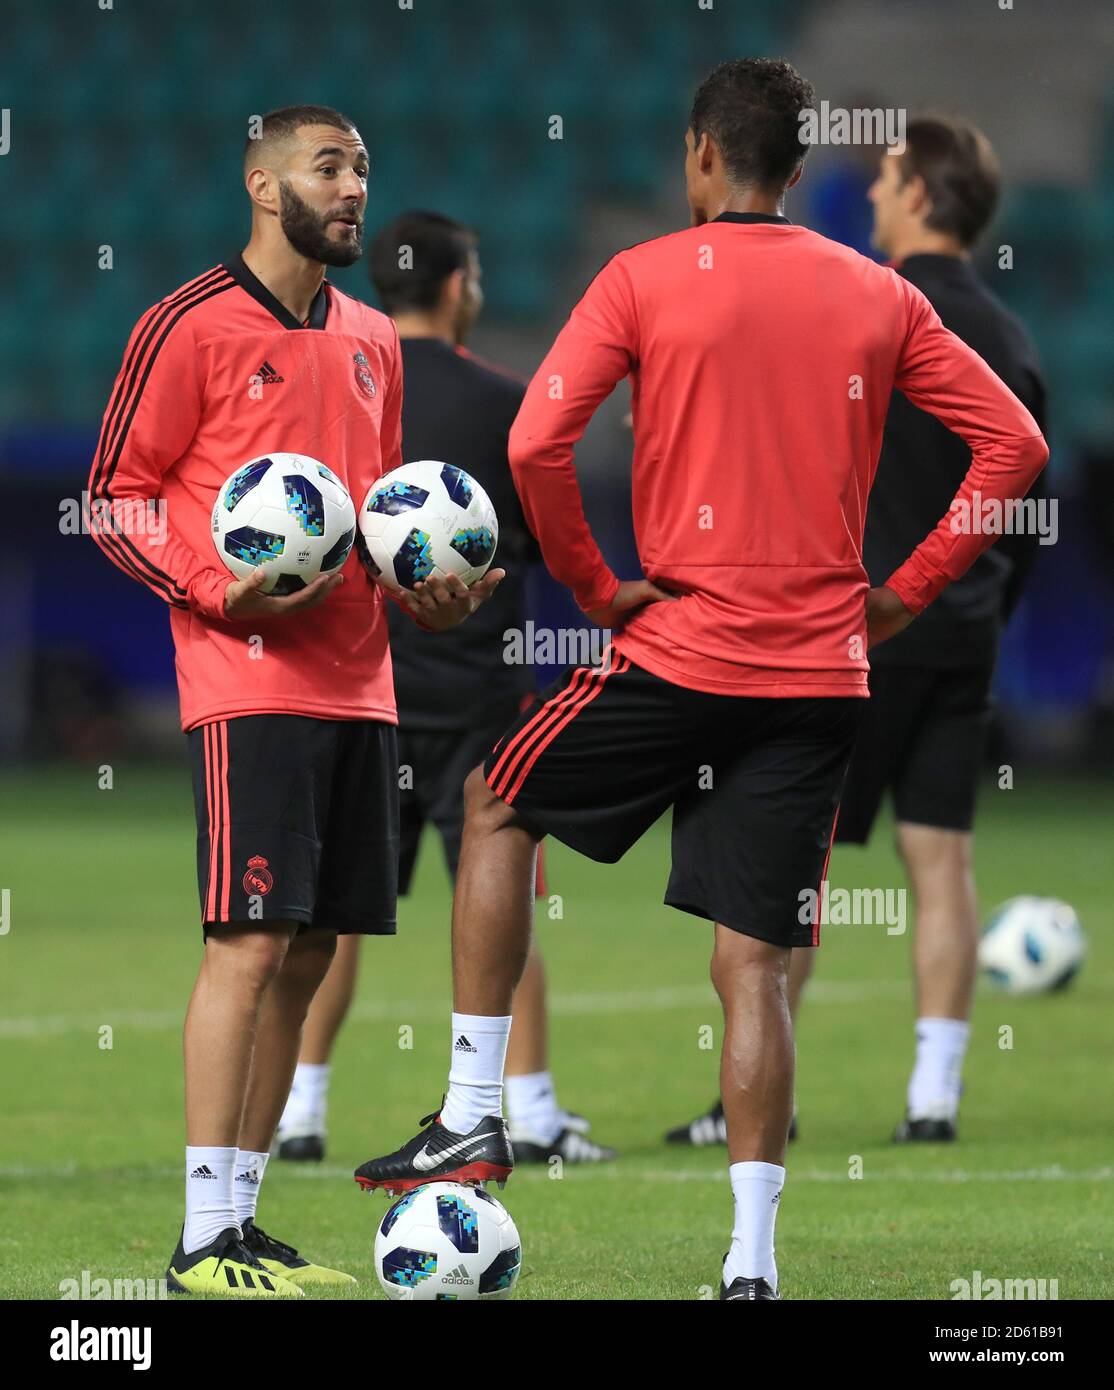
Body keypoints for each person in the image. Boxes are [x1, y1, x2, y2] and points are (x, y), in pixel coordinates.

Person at [353, 59, 1047, 1301]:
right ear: (796, 168)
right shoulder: (872, 291)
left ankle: (470, 1113)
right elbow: (1016, 444)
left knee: (497, 807)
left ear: (700, 159)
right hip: (823, 674)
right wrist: (909, 586)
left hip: (680, 653)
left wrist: (592, 586)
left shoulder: (643, 277)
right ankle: (750, 1262)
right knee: (753, 966)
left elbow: (534, 440)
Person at [89, 106, 500, 1297]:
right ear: (265, 187)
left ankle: (245, 1221)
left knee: (315, 948)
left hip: (361, 682)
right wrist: (222, 587)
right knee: (252, 940)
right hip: (246, 677)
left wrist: (427, 587)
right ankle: (197, 1234)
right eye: (330, 168)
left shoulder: (373, 334)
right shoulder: (186, 323)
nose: (353, 188)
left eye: (364, 169)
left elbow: (371, 519)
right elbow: (117, 494)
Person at [668, 116, 1046, 1151]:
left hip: (853, 631)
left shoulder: (869, 313)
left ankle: (757, 1103)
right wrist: (979, 610)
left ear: (920, 194)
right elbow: (1023, 501)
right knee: (943, 862)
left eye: (885, 178)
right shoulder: (1009, 335)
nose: (871, 194)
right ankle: (933, 1095)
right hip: (959, 634)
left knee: (795, 869)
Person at [276, 211, 614, 1166]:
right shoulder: (510, 405)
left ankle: (302, 1109)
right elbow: (550, 543)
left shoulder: (347, 392)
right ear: (462, 284)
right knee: (502, 895)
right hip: (481, 693)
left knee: (340, 914)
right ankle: (536, 1111)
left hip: (364, 687)